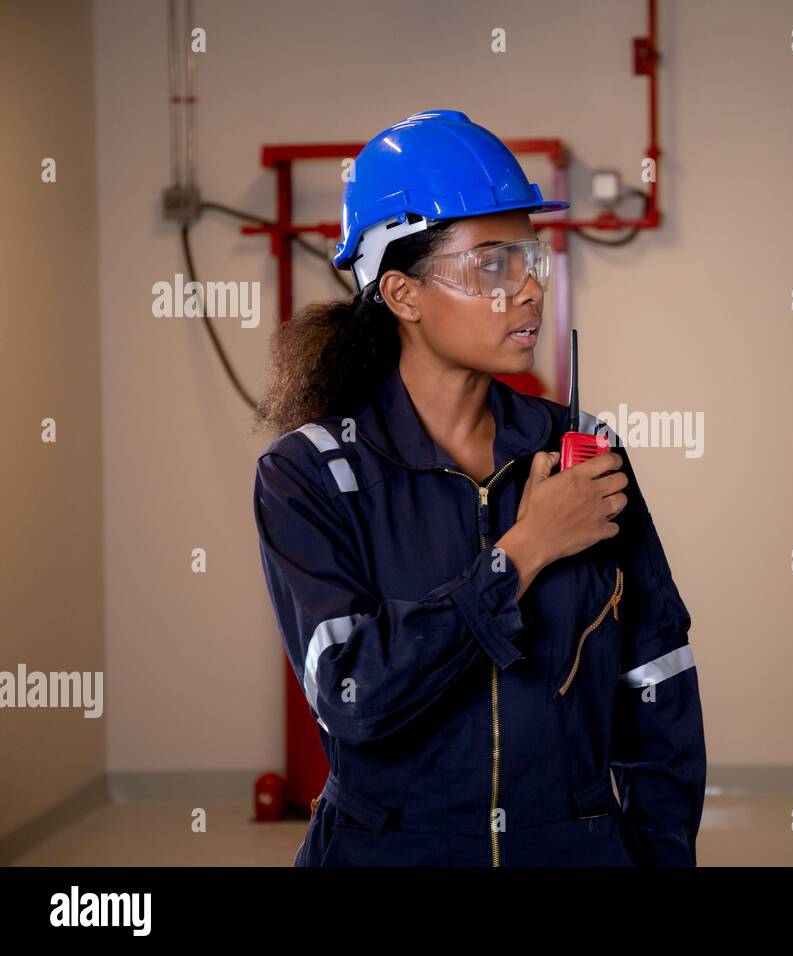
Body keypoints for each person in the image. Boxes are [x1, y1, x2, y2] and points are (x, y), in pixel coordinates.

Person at [251, 110, 706, 866]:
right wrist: (523, 551)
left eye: (530, 259)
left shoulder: (581, 452)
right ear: (401, 294)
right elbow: (354, 694)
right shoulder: (312, 473)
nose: (526, 290)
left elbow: (658, 677)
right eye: (491, 265)